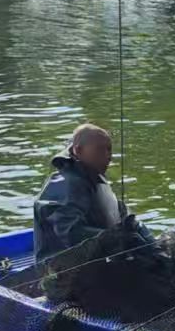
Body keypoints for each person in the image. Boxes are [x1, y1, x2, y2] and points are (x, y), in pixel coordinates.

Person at [33, 122, 164, 312]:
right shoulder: (63, 185)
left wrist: (154, 247)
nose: (109, 156)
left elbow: (128, 221)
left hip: (97, 269)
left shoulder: (94, 180)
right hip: (63, 280)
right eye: (102, 150)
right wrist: (114, 237)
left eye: (110, 149)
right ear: (78, 150)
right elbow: (71, 233)